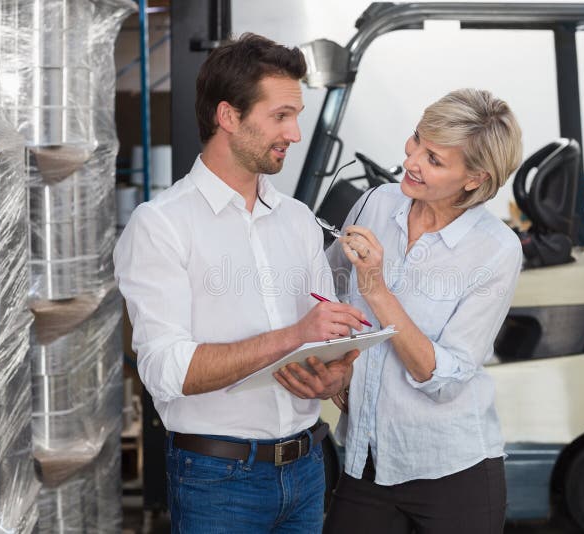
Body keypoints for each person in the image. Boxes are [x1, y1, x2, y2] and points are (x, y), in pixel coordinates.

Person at [113, 33, 367, 533]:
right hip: (218, 482)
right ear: (228, 117)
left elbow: (331, 332)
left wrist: (338, 376)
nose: (295, 133)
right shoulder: (160, 225)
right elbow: (165, 369)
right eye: (280, 116)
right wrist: (294, 337)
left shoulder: (296, 220)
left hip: (307, 467)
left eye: (296, 115)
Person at [277, 88, 523, 533]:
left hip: (454, 474)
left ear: (474, 179)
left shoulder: (496, 250)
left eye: (434, 159)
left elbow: (444, 377)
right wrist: (336, 364)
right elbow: (327, 291)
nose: (411, 160)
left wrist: (376, 287)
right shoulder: (377, 203)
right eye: (417, 141)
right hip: (366, 460)